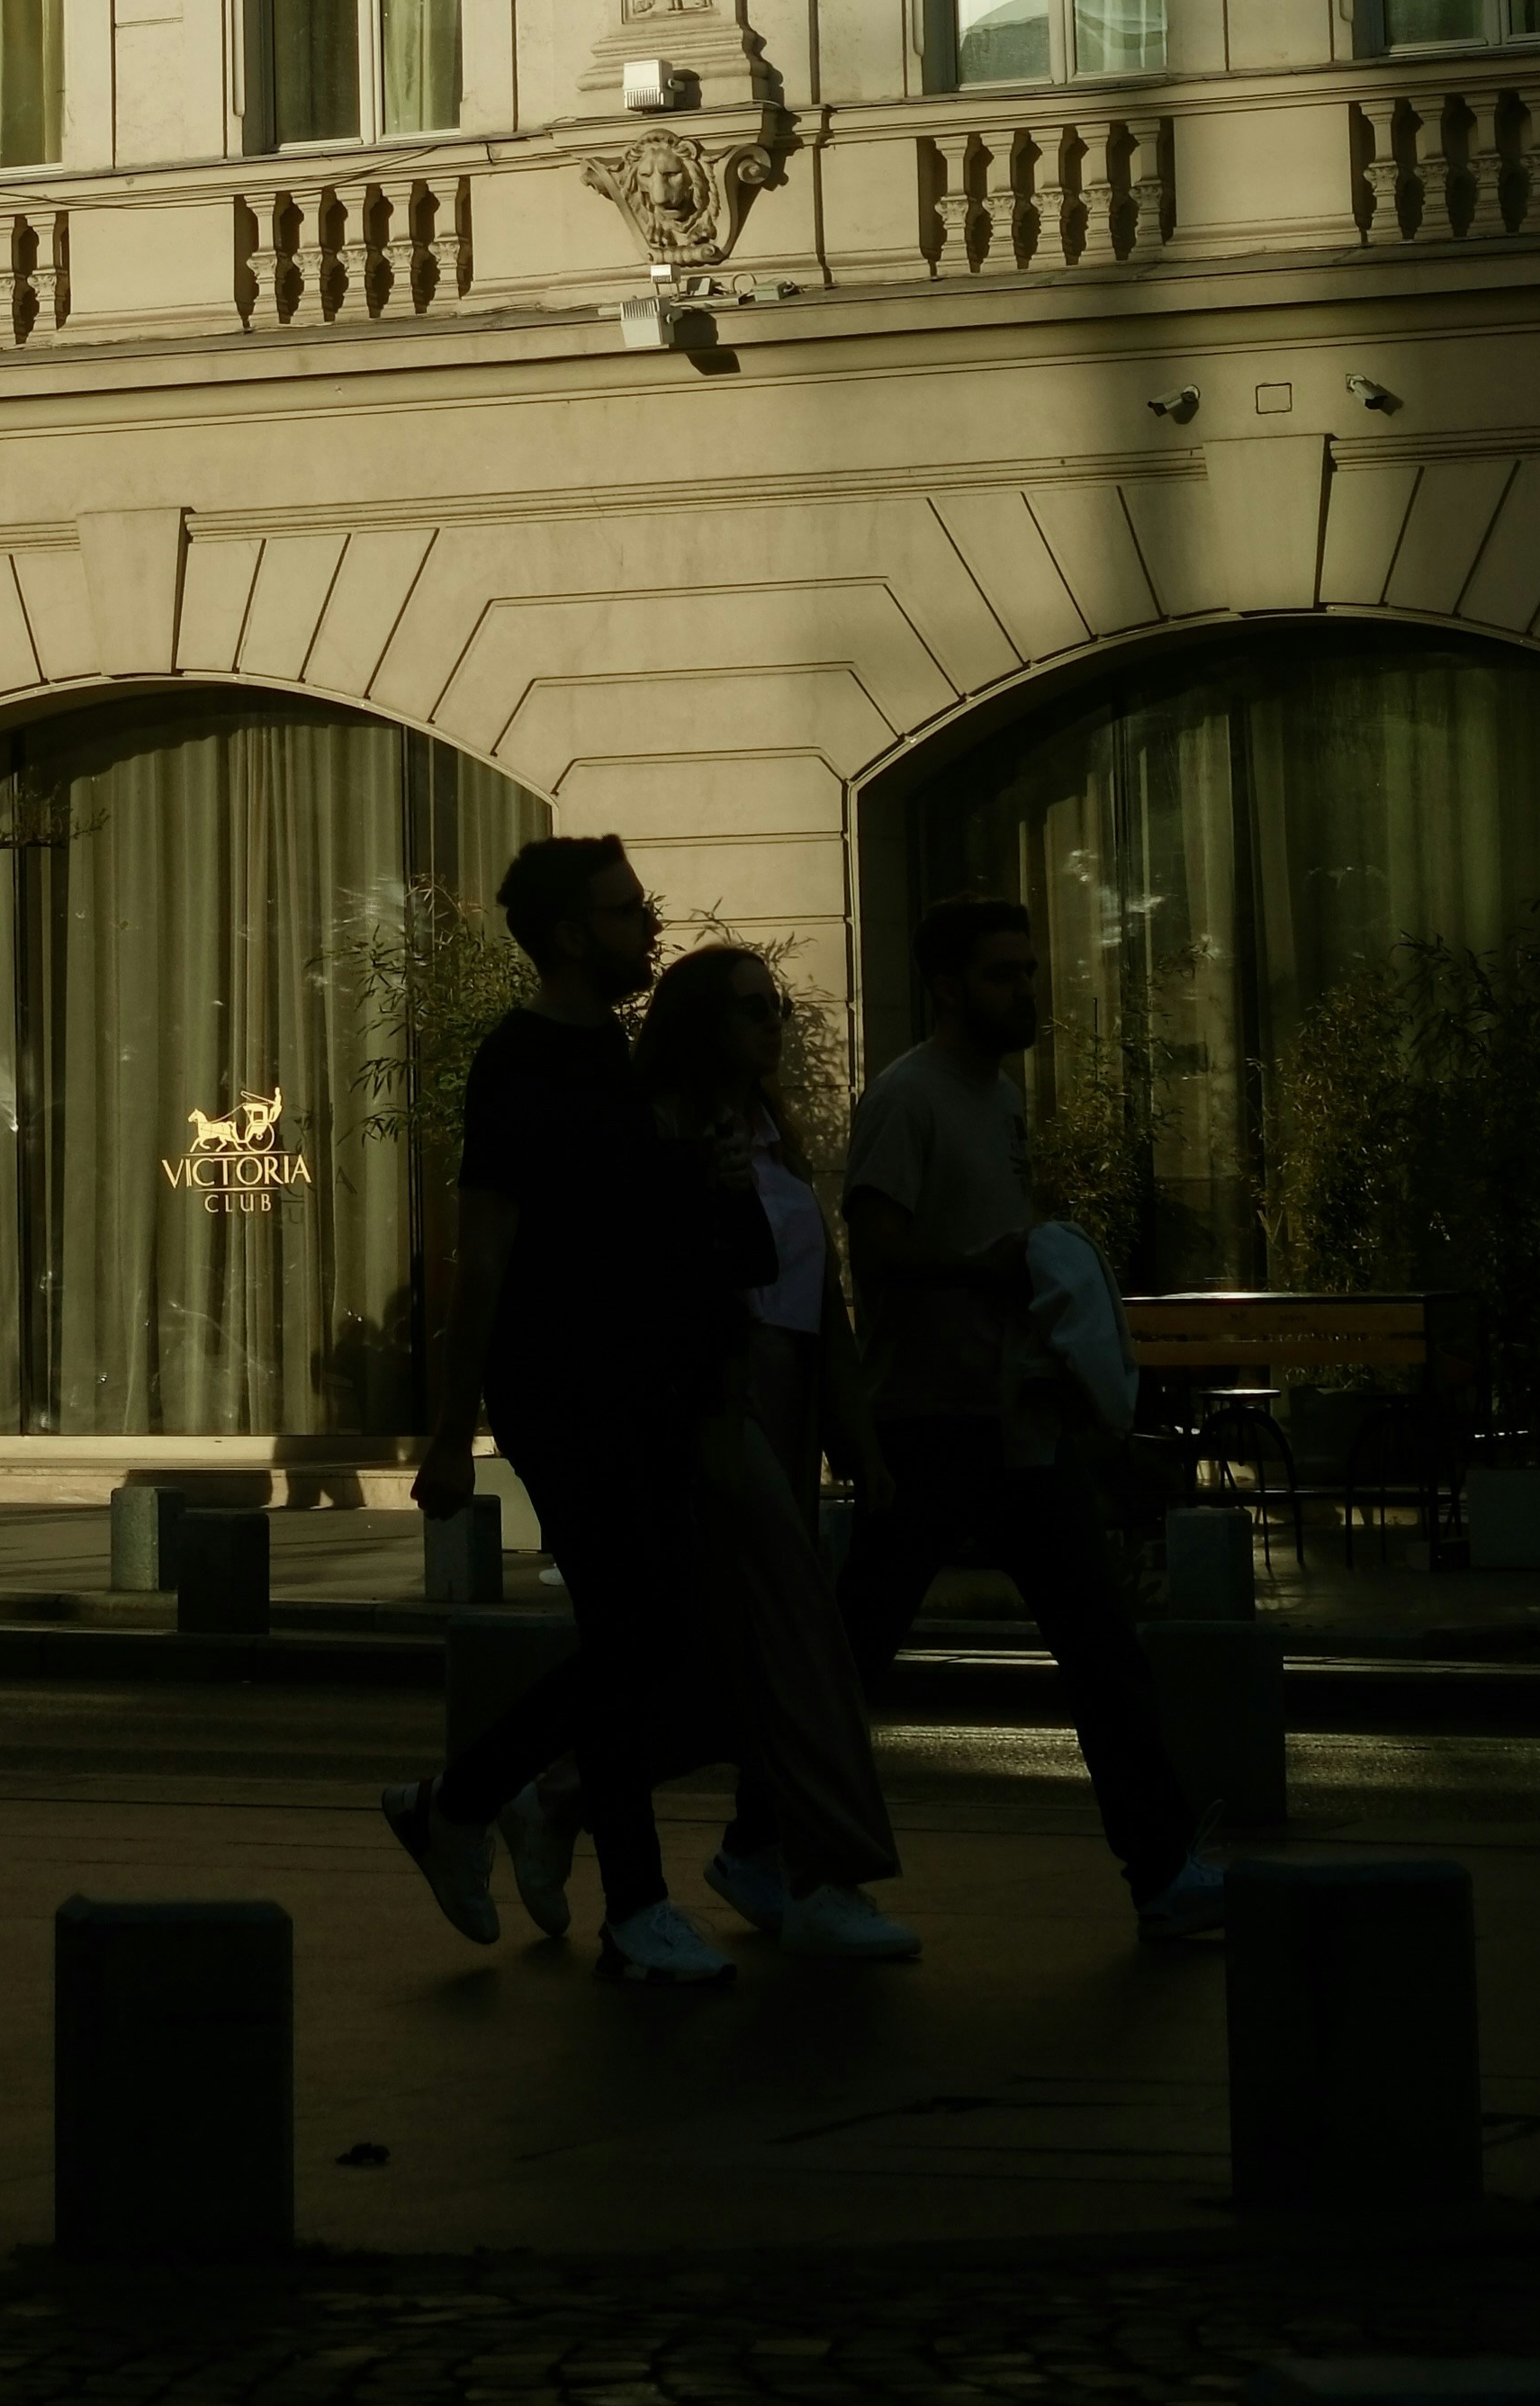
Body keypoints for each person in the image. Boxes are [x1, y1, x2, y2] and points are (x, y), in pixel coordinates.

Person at [392, 834, 767, 1989]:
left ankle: (464, 1804)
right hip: (559, 1385)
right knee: (632, 1630)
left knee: (650, 1635)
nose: (647, 925)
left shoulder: (620, 1057)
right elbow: (485, 1250)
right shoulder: (520, 1061)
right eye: (621, 911)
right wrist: (452, 1431)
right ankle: (633, 1903)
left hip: (643, 1383)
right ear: (566, 935)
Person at [831, 894, 1224, 1944]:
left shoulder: (998, 1098)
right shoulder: (906, 1098)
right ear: (949, 987)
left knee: (1099, 1641)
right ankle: (775, 1852)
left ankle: (1163, 1870)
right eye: (1003, 974)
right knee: (855, 1649)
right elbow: (872, 1254)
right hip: (922, 1419)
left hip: (1009, 1422)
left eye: (1029, 971)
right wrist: (987, 1270)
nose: (1026, 990)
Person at [639, 946, 918, 1962]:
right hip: (719, 1397)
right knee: (805, 1635)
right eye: (752, 1009)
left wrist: (858, 1440)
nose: (773, 1025)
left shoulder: (772, 1138)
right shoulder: (666, 1131)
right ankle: (828, 1868)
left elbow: (821, 1311)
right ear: (702, 1022)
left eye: (780, 1008)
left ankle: (547, 1793)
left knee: (731, 1658)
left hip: (787, 1396)